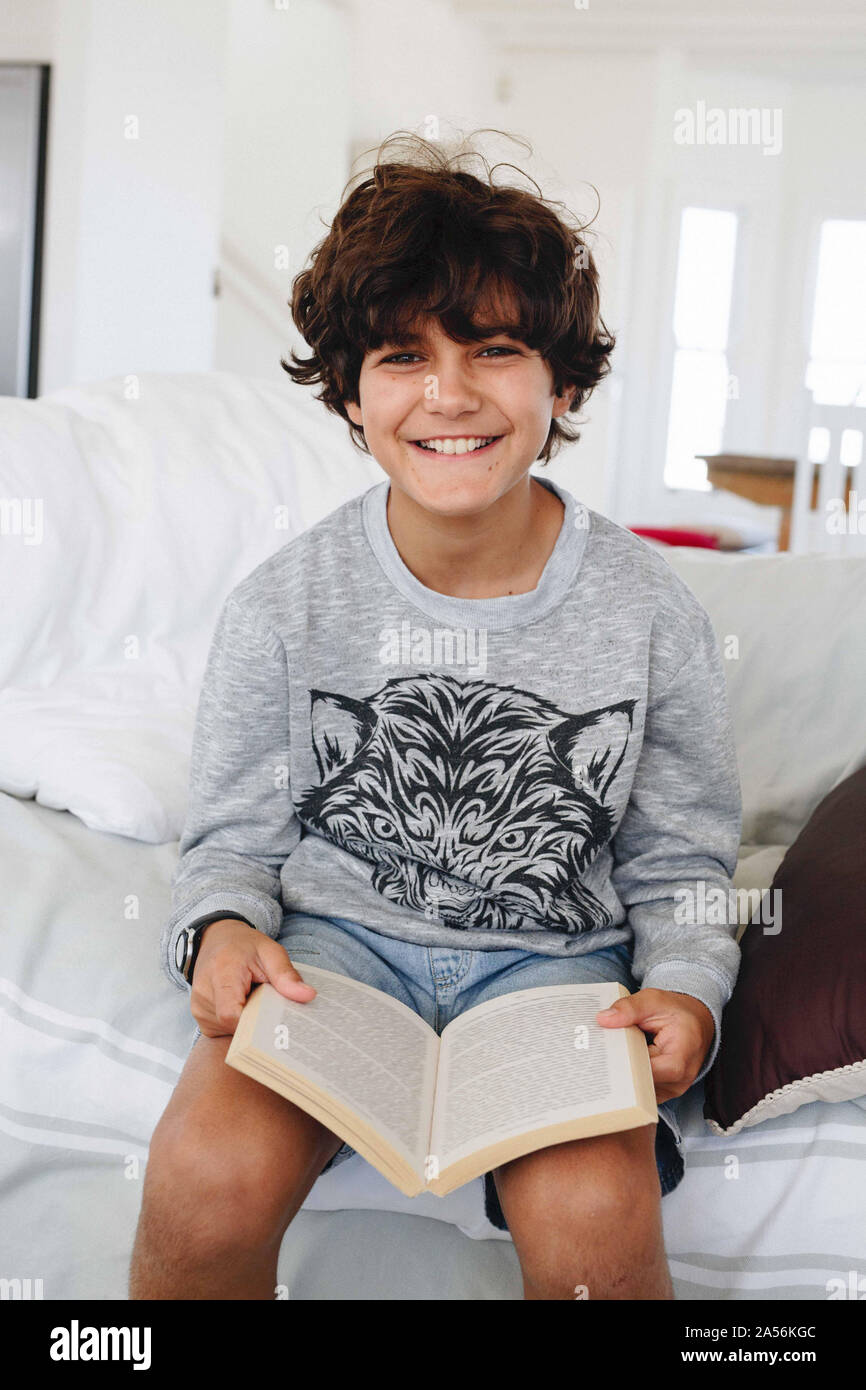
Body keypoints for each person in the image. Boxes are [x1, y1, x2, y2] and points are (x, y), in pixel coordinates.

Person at [129, 131, 742, 1301]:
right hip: (329, 963)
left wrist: (687, 991)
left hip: (555, 970)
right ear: (350, 393)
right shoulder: (282, 604)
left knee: (596, 1212)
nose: (448, 393)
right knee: (202, 1172)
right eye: (402, 356)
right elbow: (232, 840)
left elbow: (680, 860)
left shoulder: (652, 612)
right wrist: (216, 926)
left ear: (559, 385)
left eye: (495, 351)